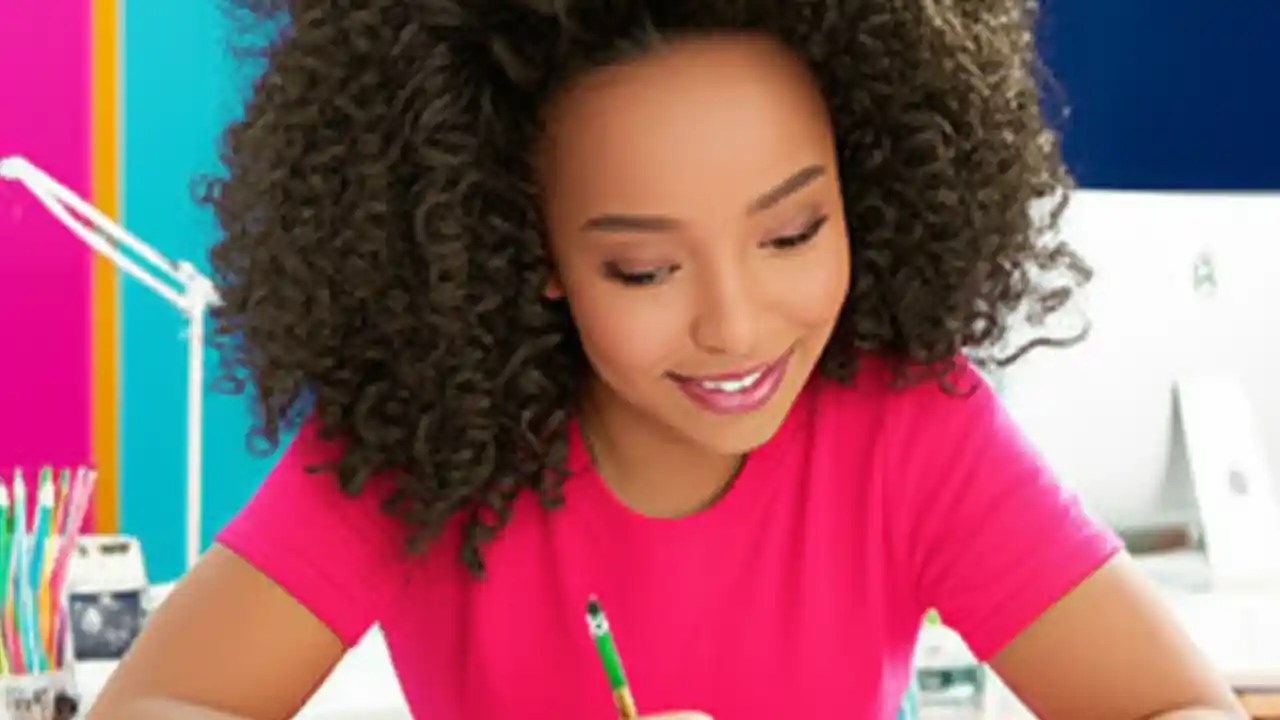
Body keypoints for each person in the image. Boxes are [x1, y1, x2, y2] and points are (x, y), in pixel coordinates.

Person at [92, 1, 1244, 718]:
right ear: (525, 247)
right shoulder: (423, 443)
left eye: (792, 233)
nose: (734, 327)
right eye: (644, 269)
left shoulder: (908, 430)